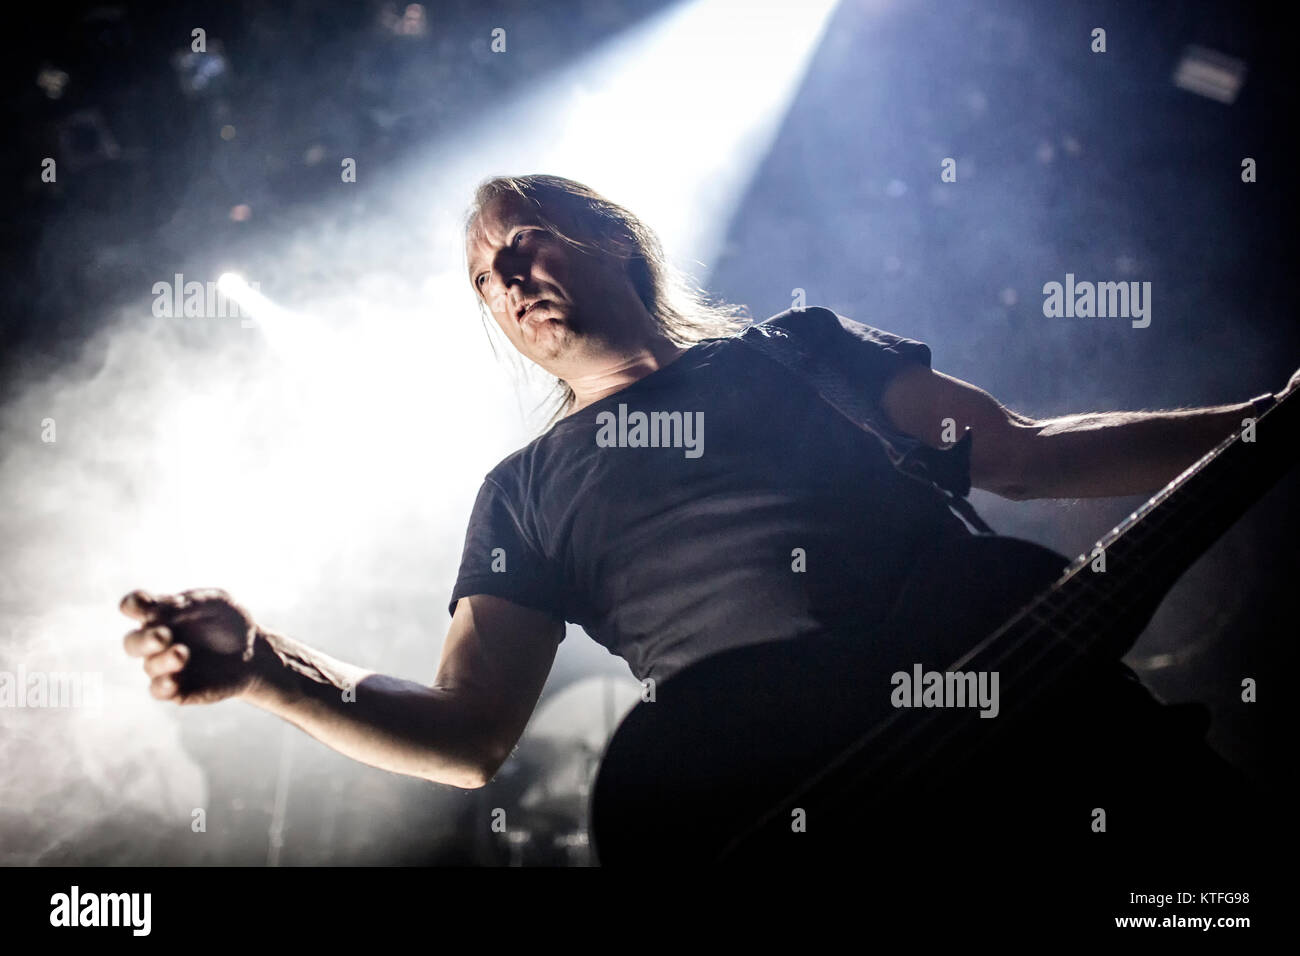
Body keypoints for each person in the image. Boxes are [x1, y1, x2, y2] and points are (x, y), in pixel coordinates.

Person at [120, 174, 1293, 862]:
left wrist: (1257, 419)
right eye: (485, 274)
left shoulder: (806, 351)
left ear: (617, 239)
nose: (509, 276)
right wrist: (269, 665)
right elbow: (469, 732)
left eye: (527, 240)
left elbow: (1028, 457)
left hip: (1053, 726)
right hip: (823, 800)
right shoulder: (521, 492)